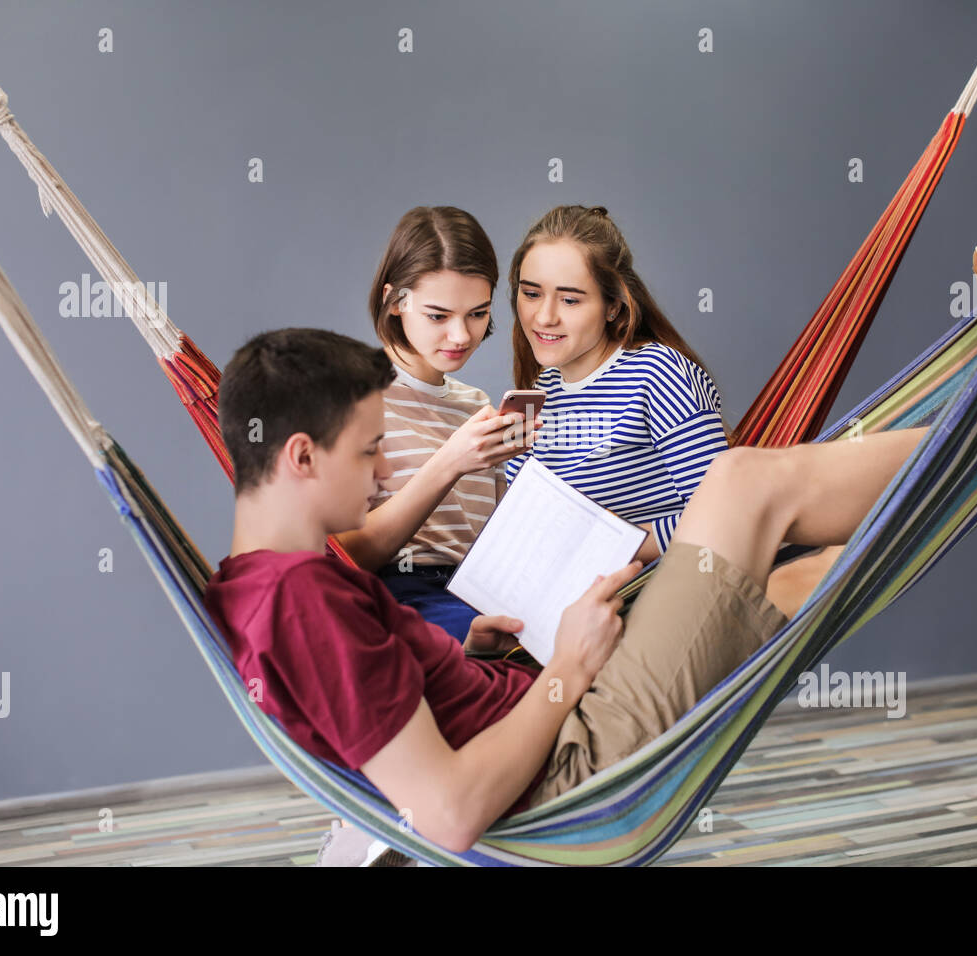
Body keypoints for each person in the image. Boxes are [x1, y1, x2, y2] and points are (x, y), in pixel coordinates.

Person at [203, 328, 928, 854]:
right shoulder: (300, 602)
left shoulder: (251, 581)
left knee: (792, 574)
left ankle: (971, 433)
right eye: (368, 450)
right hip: (575, 769)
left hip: (537, 705)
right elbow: (449, 813)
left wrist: (468, 656)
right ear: (301, 455)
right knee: (740, 484)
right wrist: (566, 672)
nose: (384, 471)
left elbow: (376, 702)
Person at [332, 206, 538, 642]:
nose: (462, 336)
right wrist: (450, 463)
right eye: (438, 316)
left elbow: (491, 542)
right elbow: (340, 557)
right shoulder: (348, 397)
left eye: (478, 313)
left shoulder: (475, 404)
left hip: (484, 592)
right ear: (396, 302)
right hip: (402, 599)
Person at [503, 204, 731, 567]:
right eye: (531, 294)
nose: (544, 316)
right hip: (557, 601)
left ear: (613, 306)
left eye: (570, 299)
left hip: (658, 588)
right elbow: (519, 528)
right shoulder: (532, 396)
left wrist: (606, 549)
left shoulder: (658, 373)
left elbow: (726, 511)